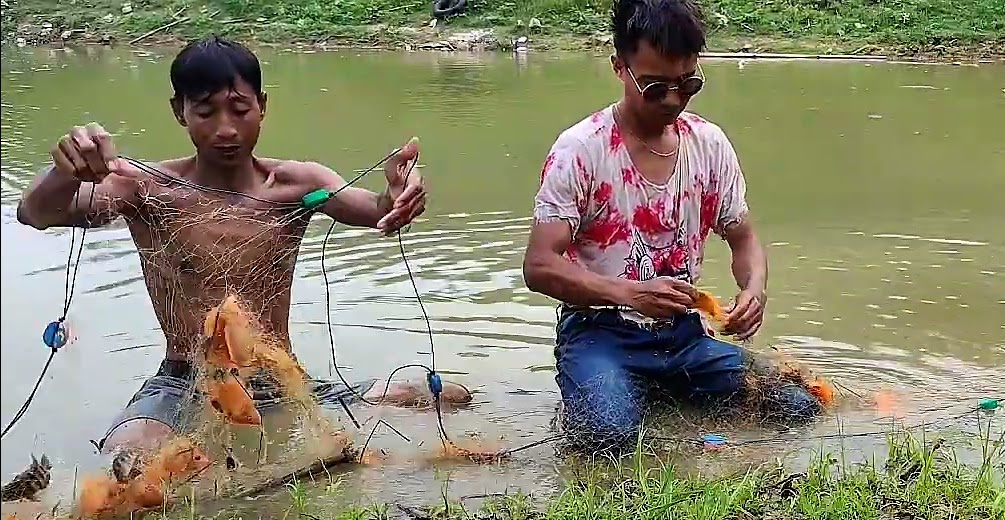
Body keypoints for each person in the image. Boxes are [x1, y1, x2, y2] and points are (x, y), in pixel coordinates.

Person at [16, 36, 471, 462]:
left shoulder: (296, 186)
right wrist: (65, 171)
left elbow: (376, 211)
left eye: (239, 109)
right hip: (185, 382)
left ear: (263, 106)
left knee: (446, 396)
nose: (226, 129)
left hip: (282, 379)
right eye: (206, 111)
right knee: (127, 458)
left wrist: (399, 194)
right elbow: (35, 213)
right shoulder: (145, 189)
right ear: (180, 112)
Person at [522, 0, 821, 455]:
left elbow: (745, 240)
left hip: (683, 337)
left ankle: (650, 390)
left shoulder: (709, 145)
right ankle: (611, 389)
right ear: (620, 67)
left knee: (796, 405)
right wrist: (630, 294)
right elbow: (539, 266)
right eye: (656, 87)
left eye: (688, 83)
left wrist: (754, 290)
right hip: (600, 331)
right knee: (608, 438)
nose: (674, 100)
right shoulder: (581, 150)